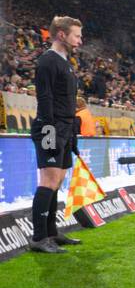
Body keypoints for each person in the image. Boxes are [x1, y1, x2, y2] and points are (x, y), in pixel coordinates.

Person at [29, 16, 84, 254]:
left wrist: (71, 134)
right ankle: (39, 238)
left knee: (58, 181)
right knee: (48, 182)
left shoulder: (66, 62)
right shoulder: (48, 61)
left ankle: (51, 232)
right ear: (62, 34)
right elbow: (45, 99)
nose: (80, 41)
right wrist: (50, 131)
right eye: (77, 35)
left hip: (64, 129)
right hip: (50, 128)